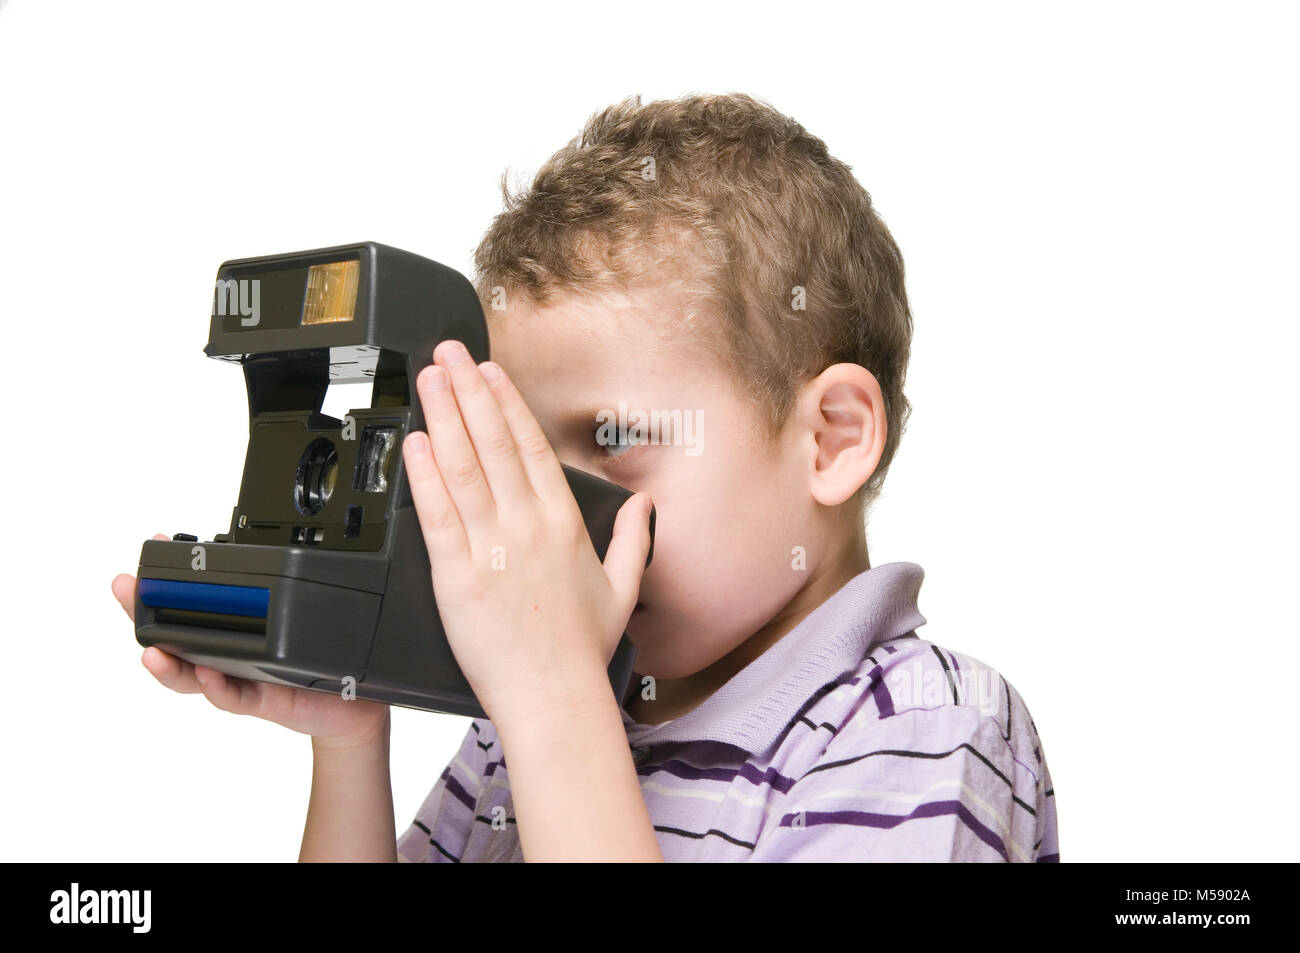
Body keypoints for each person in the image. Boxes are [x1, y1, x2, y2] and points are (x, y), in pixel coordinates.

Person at [112, 92, 1058, 862]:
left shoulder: (924, 725)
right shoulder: (527, 712)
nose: (546, 515)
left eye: (611, 436)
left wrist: (553, 697)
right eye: (522, 443)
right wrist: (352, 743)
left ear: (830, 439)